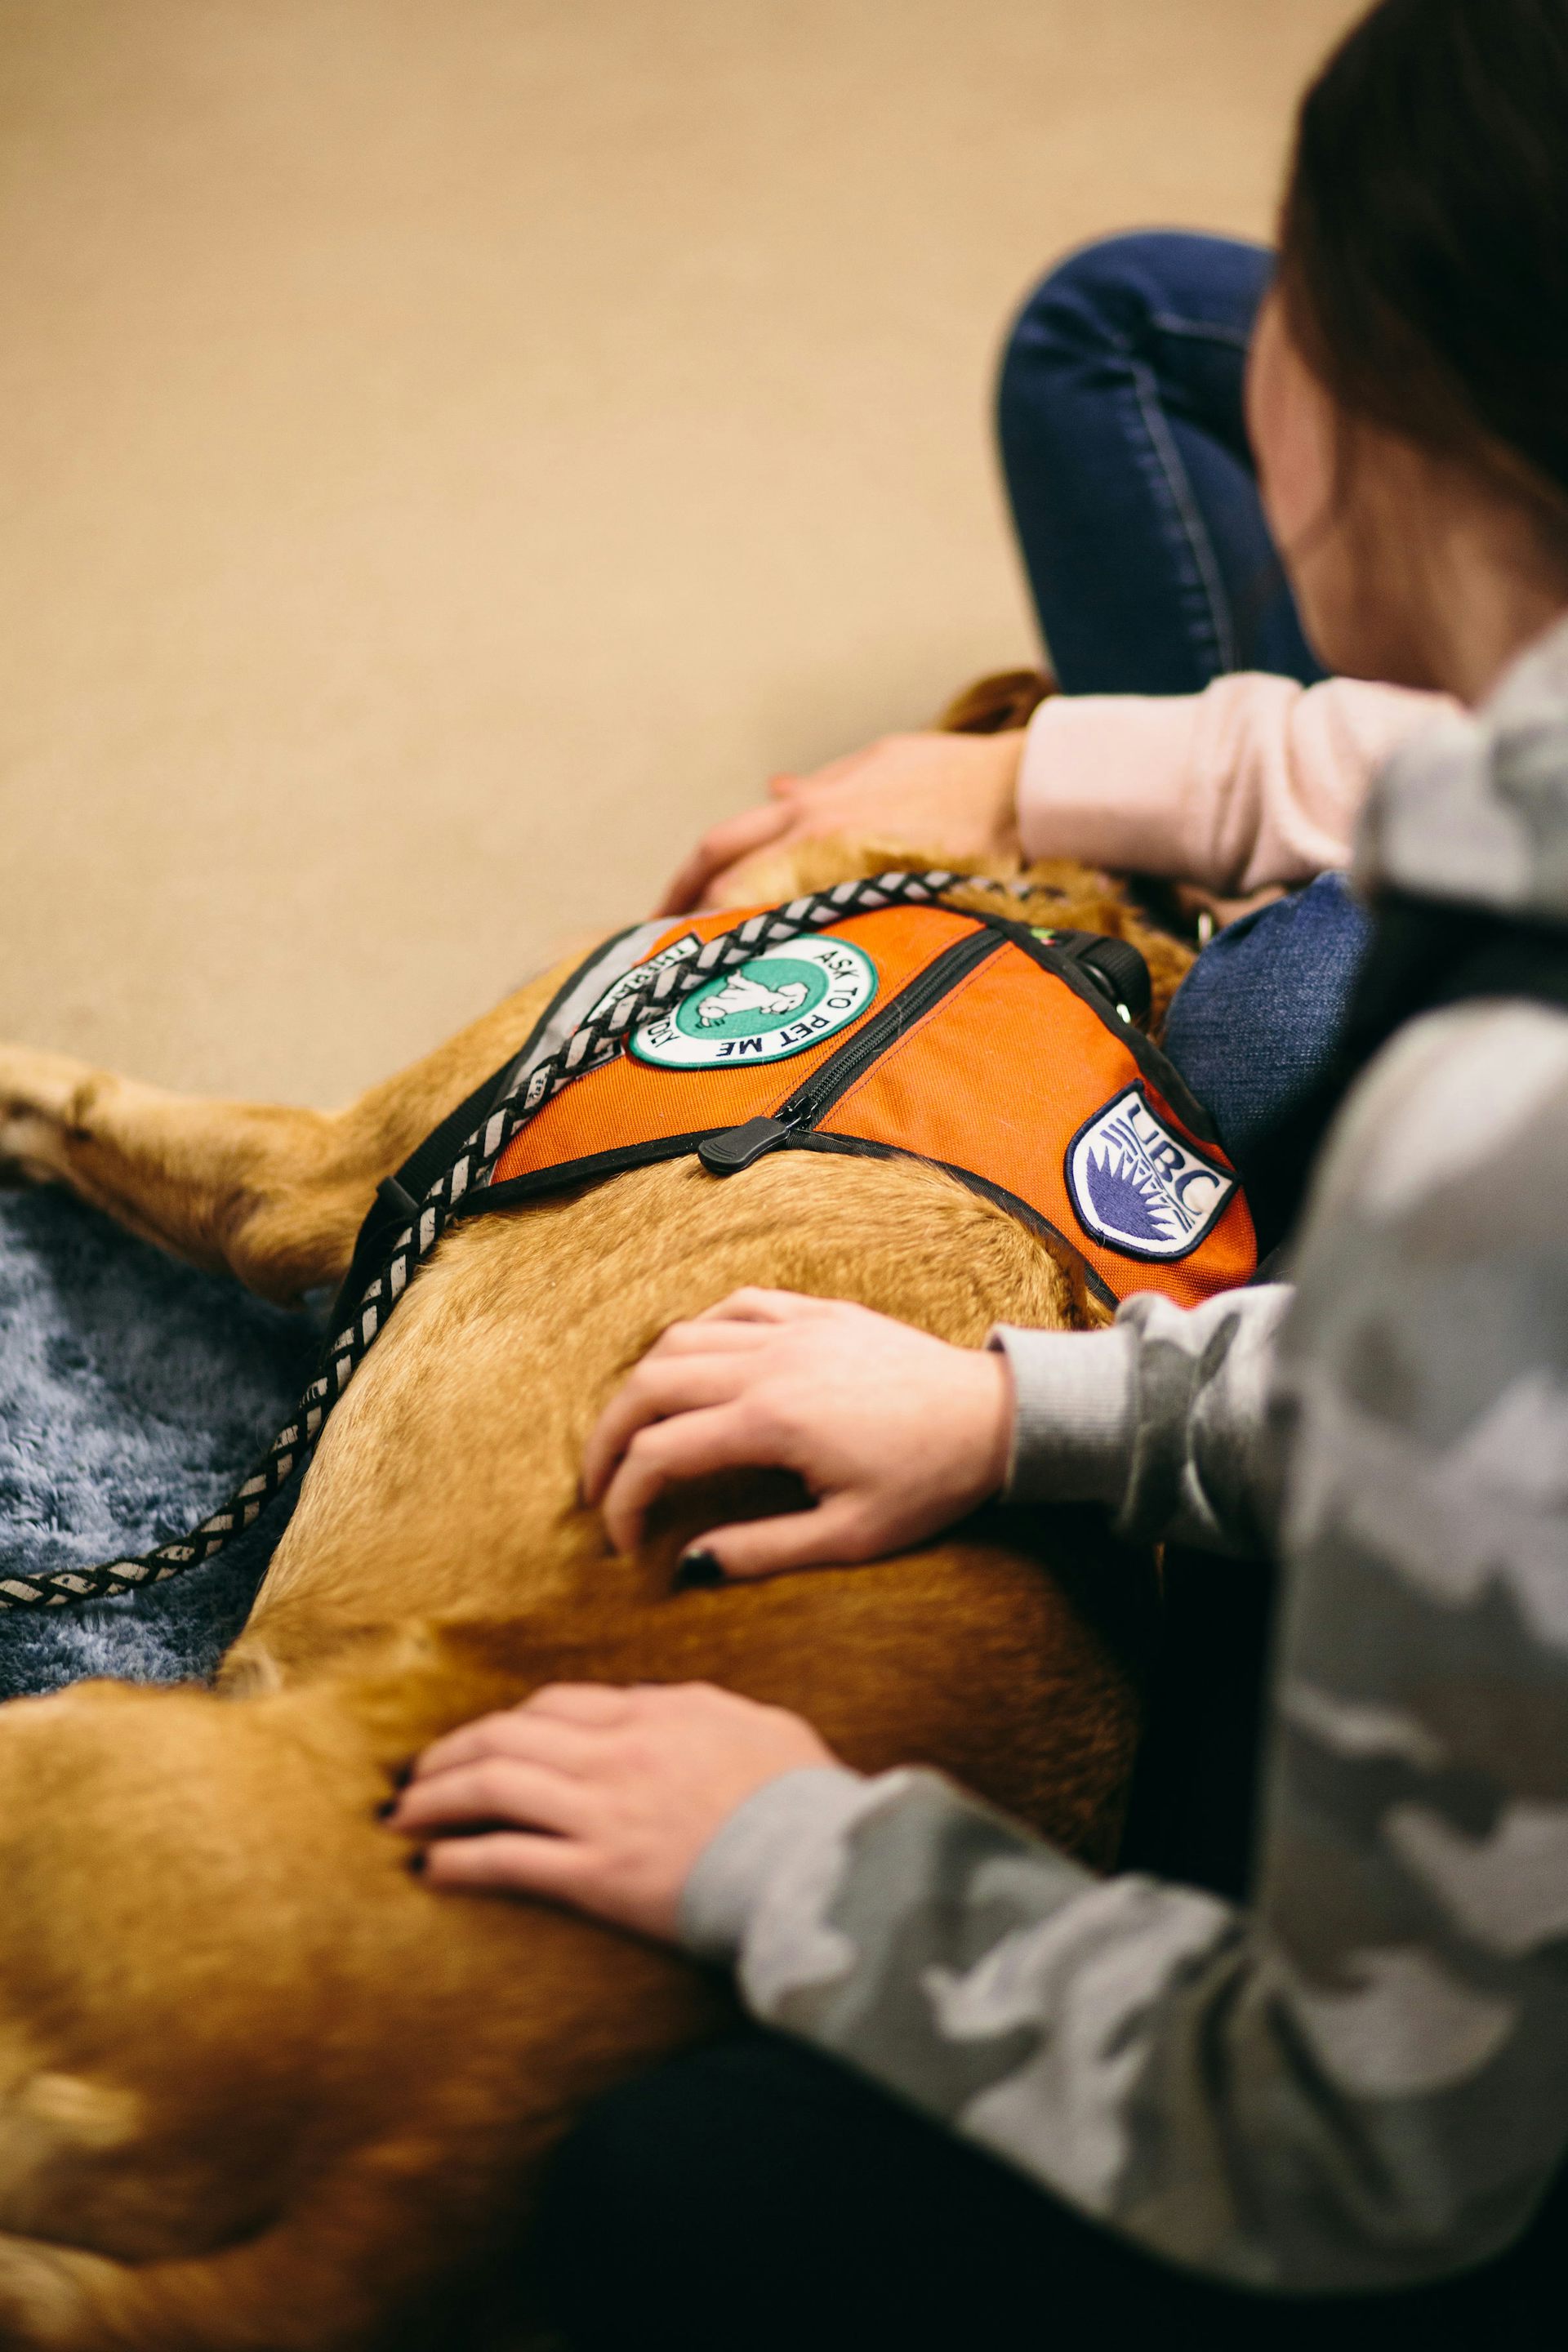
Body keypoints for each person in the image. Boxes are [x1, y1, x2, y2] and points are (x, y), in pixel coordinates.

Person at [386, 0, 1568, 2341]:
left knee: (644, 2202)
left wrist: (797, 1855)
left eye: (1283, 307)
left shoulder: (1485, 1133)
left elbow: (1367, 2145)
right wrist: (1033, 1414)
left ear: (1323, 412)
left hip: (1454, 2180)